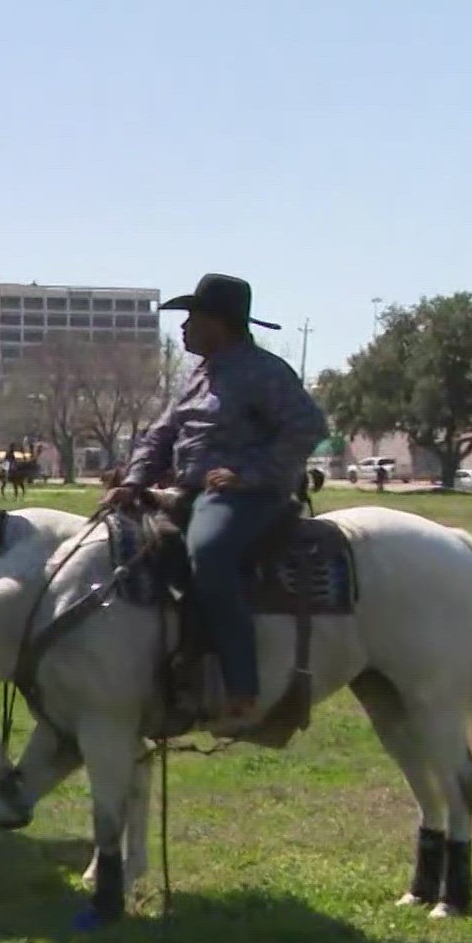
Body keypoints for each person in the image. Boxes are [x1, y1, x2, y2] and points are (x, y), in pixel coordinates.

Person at [103, 273, 328, 724]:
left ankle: (241, 682)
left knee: (209, 552)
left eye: (192, 318)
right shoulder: (199, 376)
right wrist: (135, 480)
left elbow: (308, 427)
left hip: (246, 496)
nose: (183, 328)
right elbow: (161, 434)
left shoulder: (265, 372)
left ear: (218, 324)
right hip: (190, 491)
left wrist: (246, 473)